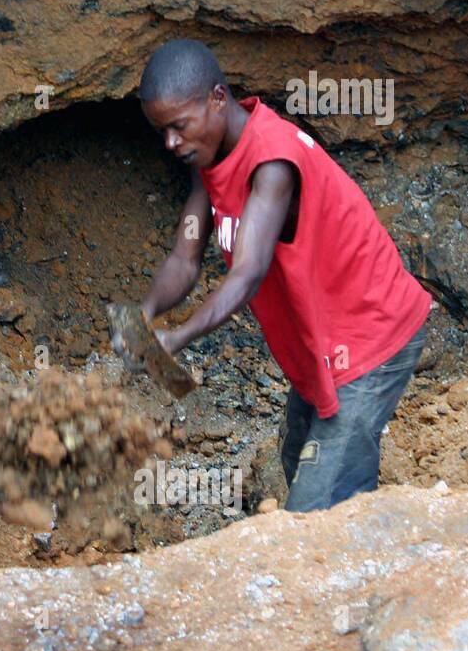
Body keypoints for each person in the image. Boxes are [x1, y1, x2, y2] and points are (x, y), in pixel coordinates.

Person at [118, 39, 431, 512]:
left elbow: (247, 274)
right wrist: (143, 314)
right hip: (323, 342)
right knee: (297, 458)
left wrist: (176, 338)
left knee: (315, 511)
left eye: (179, 127)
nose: (171, 143)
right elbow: (185, 259)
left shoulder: (272, 163)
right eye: (162, 131)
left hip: (371, 337)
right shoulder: (209, 159)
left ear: (217, 99)